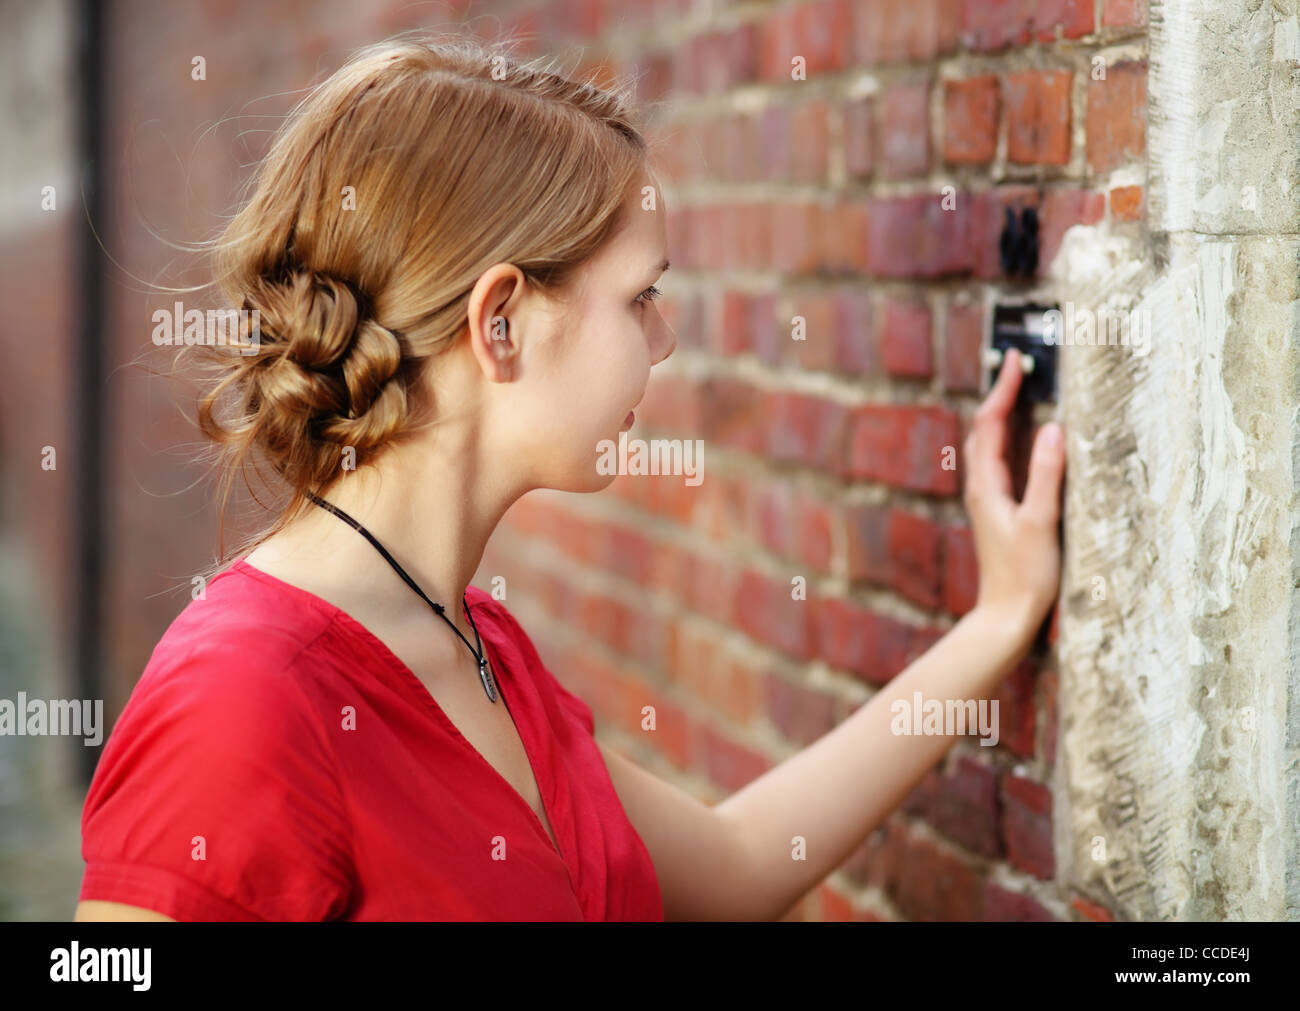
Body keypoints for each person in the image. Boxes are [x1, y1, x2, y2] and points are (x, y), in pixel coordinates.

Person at [74, 33, 1065, 922]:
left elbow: (738, 864)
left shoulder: (479, 647)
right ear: (499, 321)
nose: (664, 340)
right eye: (640, 298)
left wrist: (999, 618)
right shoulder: (244, 698)